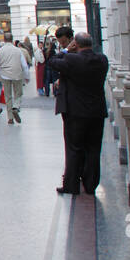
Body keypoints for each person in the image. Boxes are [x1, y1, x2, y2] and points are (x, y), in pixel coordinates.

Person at [48, 32, 109, 195]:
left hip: (76, 112)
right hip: (97, 111)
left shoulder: (71, 59)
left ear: (76, 44)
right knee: (94, 149)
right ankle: (91, 184)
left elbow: (53, 61)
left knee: (74, 148)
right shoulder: (102, 60)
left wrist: (66, 50)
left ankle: (71, 185)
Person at [0, 32, 32, 125]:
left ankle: (10, 118)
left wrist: (1, 72)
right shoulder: (18, 50)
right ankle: (16, 107)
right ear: (12, 39)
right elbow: (24, 65)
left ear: (4, 39)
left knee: (8, 96)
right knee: (18, 93)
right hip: (17, 74)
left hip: (5, 75)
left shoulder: (0, 50)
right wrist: (27, 76)